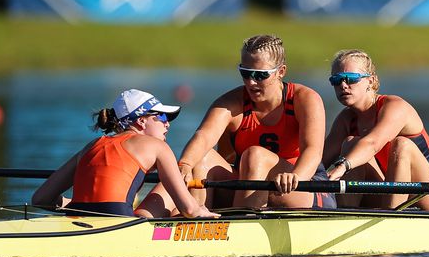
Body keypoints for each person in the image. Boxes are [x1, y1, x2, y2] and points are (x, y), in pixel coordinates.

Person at [140, 34, 327, 213]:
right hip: (248, 185)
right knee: (201, 158)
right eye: (245, 73)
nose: (251, 82)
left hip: (303, 186)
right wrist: (185, 164)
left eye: (260, 75)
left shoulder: (305, 99)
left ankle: (240, 224)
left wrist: (296, 177)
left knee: (256, 156)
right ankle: (181, 220)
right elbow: (204, 137)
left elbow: (313, 150)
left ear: (281, 72)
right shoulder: (232, 102)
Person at [32, 89, 216, 219]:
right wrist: (202, 210)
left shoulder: (91, 146)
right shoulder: (158, 147)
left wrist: (76, 203)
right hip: (118, 222)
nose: (167, 124)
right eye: (160, 117)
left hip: (75, 216)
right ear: (141, 121)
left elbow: (41, 199)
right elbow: (190, 210)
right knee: (173, 186)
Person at [322, 49, 429, 210]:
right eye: (336, 80)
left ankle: (390, 220)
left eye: (350, 79)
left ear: (371, 81)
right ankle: (345, 215)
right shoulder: (346, 119)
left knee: (402, 145)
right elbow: (319, 162)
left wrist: (342, 167)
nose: (343, 85)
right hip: (387, 190)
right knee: (351, 143)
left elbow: (372, 143)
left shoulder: (395, 107)